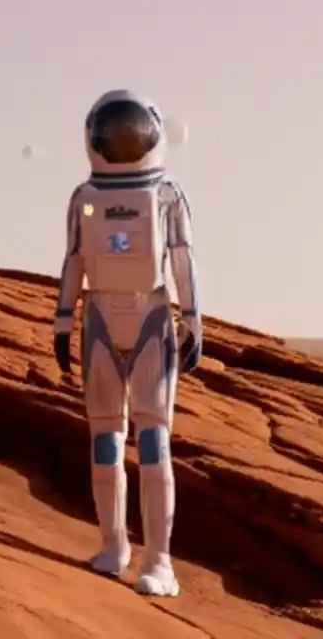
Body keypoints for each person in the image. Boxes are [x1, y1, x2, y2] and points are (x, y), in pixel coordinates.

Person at [52, 88, 202, 597]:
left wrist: (191, 318)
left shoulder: (165, 195)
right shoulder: (85, 198)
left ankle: (159, 560)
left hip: (150, 317)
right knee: (105, 441)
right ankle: (113, 545)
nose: (122, 139)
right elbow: (74, 260)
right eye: (115, 131)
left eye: (130, 130)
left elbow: (182, 258)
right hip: (99, 318)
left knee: (154, 441)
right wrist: (62, 321)